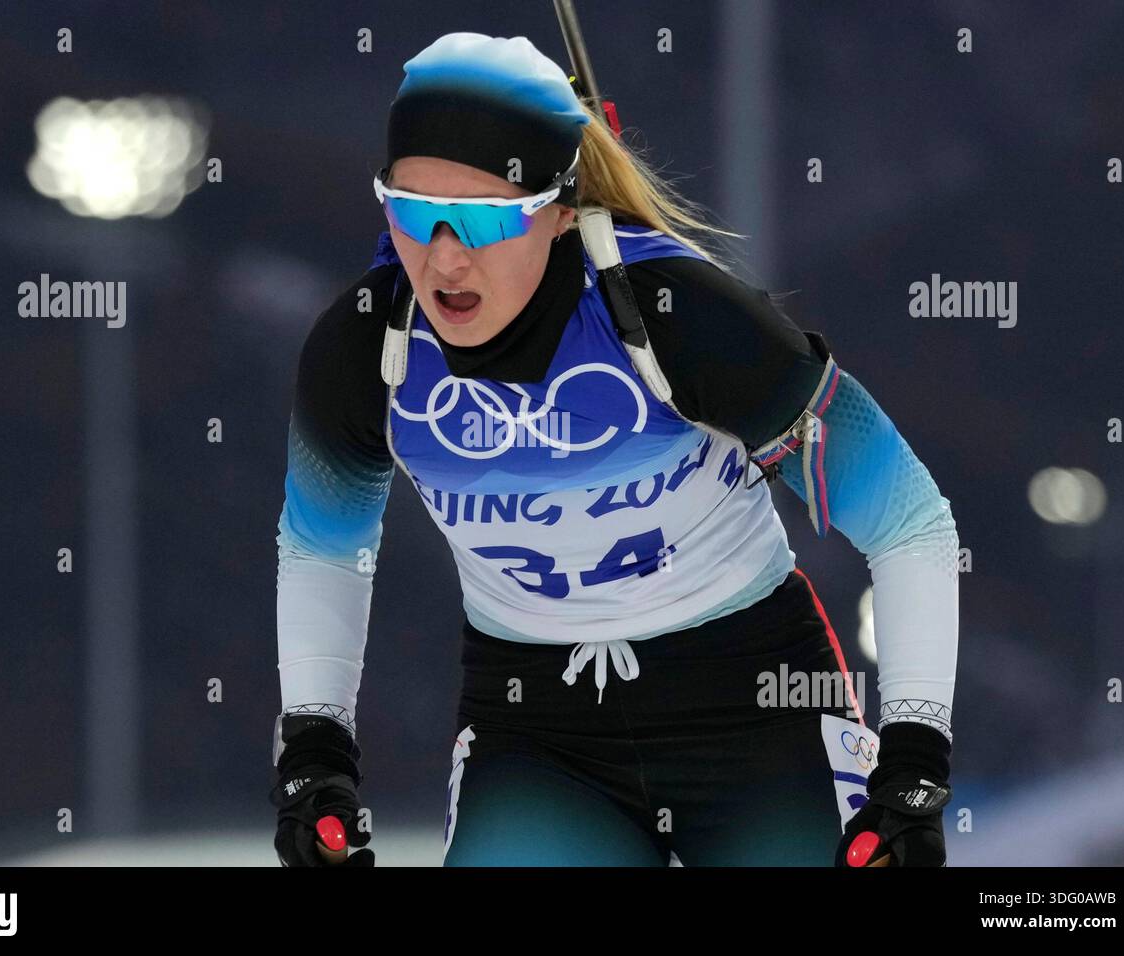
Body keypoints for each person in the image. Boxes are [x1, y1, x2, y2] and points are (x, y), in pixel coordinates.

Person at [270, 32, 958, 867]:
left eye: (485, 217)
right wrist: (314, 755)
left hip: (753, 710)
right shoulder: (365, 347)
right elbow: (324, 549)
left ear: (560, 209)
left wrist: (916, 761)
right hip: (539, 734)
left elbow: (909, 521)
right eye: (412, 210)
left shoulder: (675, 317)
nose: (443, 254)